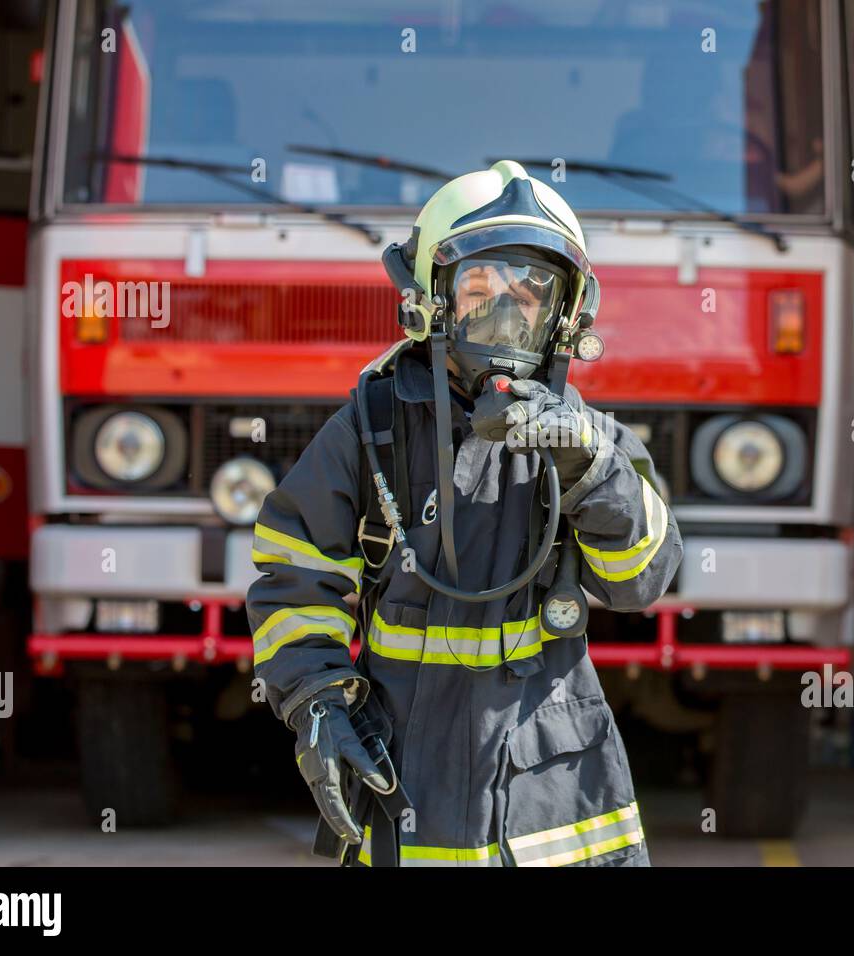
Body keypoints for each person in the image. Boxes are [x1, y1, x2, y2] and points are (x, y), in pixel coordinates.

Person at [246, 160, 683, 867]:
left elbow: (640, 581)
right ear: (432, 299)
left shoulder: (590, 442)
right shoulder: (370, 430)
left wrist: (590, 468)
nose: (504, 310)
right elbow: (296, 573)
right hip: (403, 787)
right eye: (480, 286)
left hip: (558, 806)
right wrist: (319, 700)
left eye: (530, 290)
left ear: (565, 316)